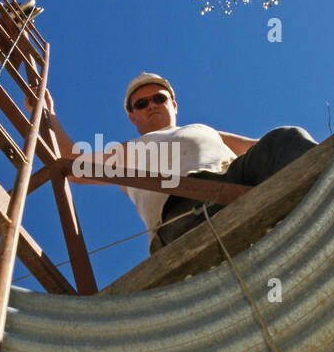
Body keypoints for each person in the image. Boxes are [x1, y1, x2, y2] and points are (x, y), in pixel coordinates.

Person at [42, 72, 317, 253]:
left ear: (173, 105)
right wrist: (48, 114)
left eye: (158, 98)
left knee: (286, 138)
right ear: (132, 117)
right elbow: (73, 163)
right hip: (179, 215)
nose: (150, 105)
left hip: (234, 181)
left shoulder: (205, 130)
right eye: (140, 104)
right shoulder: (125, 152)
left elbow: (260, 148)